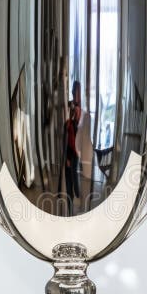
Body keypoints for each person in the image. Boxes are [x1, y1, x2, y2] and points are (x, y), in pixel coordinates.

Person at [64, 81, 82, 214]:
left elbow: (79, 128)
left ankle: (77, 196)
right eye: (75, 92)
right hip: (69, 148)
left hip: (76, 149)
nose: (77, 95)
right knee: (69, 176)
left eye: (78, 92)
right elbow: (67, 127)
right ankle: (71, 202)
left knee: (73, 173)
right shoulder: (70, 106)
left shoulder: (80, 108)